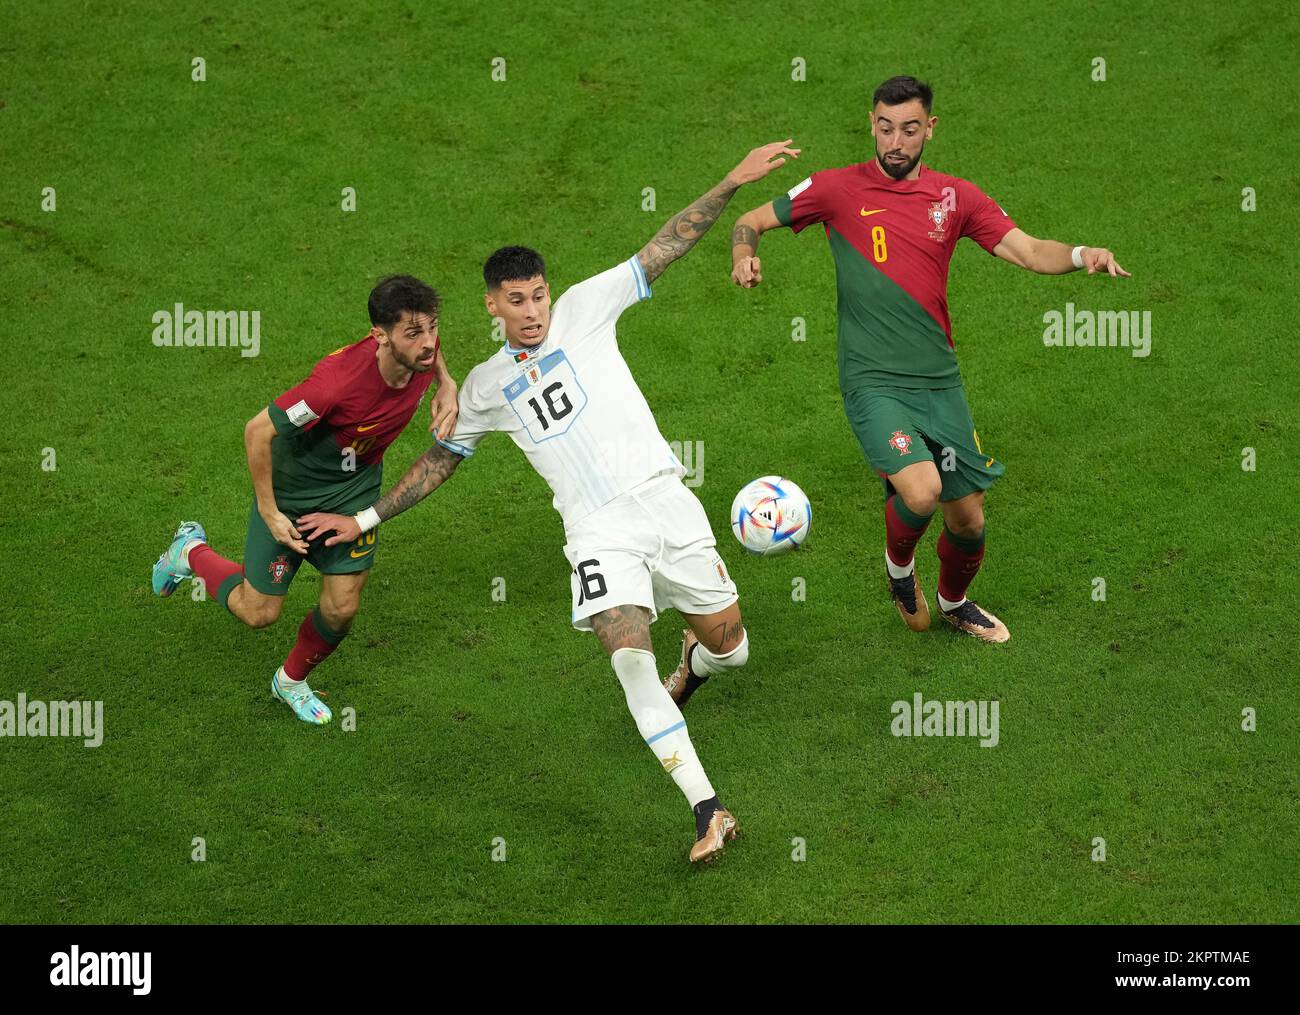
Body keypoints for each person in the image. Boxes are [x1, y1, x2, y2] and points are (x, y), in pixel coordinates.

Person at [298, 141, 798, 861]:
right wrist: (366, 517)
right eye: (517, 301)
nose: (532, 311)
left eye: (539, 295)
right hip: (596, 532)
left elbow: (665, 246)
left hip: (664, 502)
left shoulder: (587, 307)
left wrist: (729, 182)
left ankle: (695, 660)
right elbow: (442, 460)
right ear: (491, 305)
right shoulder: (484, 385)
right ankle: (707, 808)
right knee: (628, 659)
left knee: (735, 649)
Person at [729, 76, 1129, 643]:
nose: (896, 142)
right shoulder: (835, 188)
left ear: (930, 129)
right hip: (872, 381)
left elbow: (1030, 251)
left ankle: (955, 603)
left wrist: (1084, 254)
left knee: (969, 519)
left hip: (939, 380)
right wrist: (744, 255)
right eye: (886, 128)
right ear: (872, 124)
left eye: (909, 130)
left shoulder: (956, 196)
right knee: (922, 492)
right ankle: (898, 574)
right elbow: (751, 220)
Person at [150, 275, 459, 723]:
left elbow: (430, 351)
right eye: (414, 333)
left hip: (354, 493)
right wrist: (271, 512)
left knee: (342, 606)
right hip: (293, 497)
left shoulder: (420, 351)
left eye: (433, 327)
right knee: (258, 613)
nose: (428, 342)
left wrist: (446, 382)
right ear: (380, 336)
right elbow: (258, 431)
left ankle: (290, 681)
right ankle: (189, 551)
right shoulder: (333, 387)